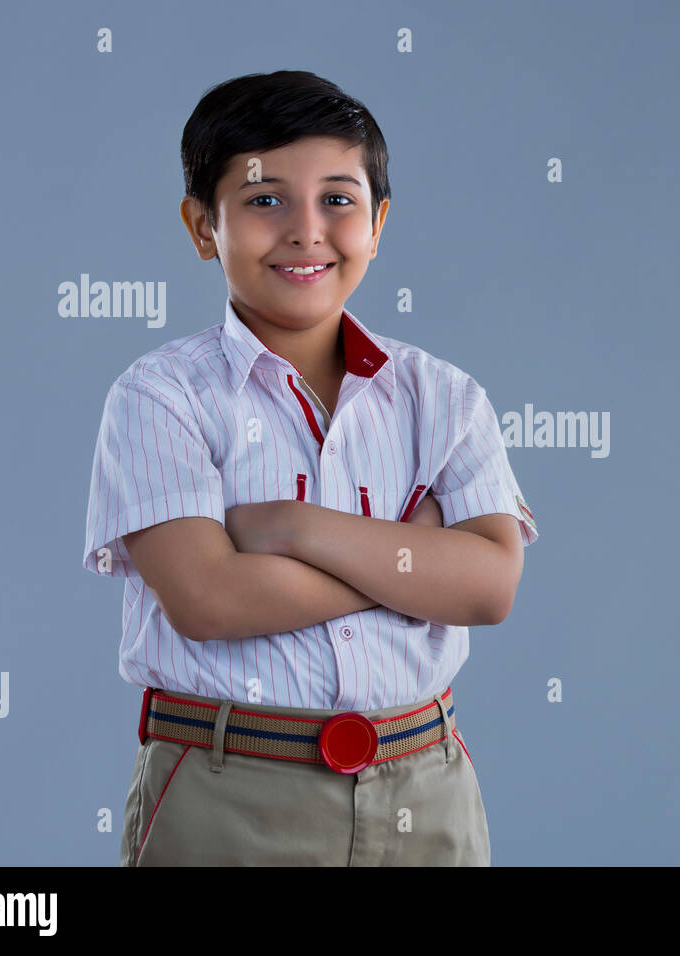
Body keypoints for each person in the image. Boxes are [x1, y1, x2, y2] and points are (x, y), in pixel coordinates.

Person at [81, 70, 539, 866]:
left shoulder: (445, 397)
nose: (306, 230)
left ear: (379, 220)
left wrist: (297, 528)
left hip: (424, 788)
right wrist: (412, 555)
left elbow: (490, 588)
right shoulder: (159, 397)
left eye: (338, 199)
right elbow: (210, 600)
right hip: (230, 789)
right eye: (263, 200)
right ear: (201, 226)